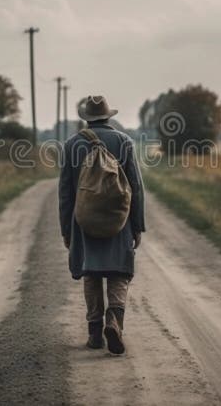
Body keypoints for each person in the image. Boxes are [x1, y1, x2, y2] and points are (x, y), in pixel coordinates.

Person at [58, 95, 145, 354]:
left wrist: (66, 230)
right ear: (108, 116)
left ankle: (95, 334)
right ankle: (114, 321)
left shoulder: (72, 145)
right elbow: (136, 187)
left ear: (87, 118)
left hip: (84, 222)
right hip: (119, 220)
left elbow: (65, 193)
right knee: (119, 274)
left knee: (92, 274)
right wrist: (137, 225)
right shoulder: (124, 142)